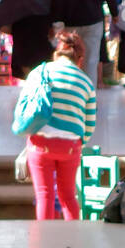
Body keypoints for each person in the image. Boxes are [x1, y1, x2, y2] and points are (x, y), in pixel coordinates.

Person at [16, 29, 96, 221]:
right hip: (70, 148)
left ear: (56, 54)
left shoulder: (40, 73)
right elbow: (90, 123)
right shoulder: (86, 83)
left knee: (45, 195)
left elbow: (25, 107)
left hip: (41, 145)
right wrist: (78, 144)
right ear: (80, 59)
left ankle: (45, 244)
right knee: (68, 196)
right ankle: (72, 242)